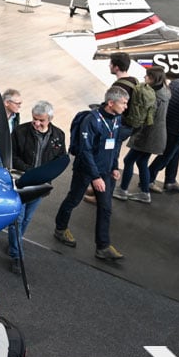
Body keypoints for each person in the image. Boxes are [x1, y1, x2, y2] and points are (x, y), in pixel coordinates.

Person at [54, 88, 130, 260]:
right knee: (74, 199)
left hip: (105, 170)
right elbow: (85, 150)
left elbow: (115, 144)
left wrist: (115, 167)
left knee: (106, 207)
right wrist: (95, 177)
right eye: (123, 103)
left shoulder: (117, 118)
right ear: (111, 103)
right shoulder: (91, 120)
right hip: (86, 169)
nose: (126, 107)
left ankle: (103, 246)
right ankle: (60, 228)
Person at [9, 101, 67, 273]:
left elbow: (60, 159)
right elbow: (12, 156)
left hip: (40, 187)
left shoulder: (59, 135)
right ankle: (17, 254)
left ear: (49, 119)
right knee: (17, 221)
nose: (36, 123)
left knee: (26, 219)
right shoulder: (20, 131)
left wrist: (45, 177)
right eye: (34, 119)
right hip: (21, 183)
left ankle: (15, 242)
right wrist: (31, 172)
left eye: (41, 120)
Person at [115, 66, 170, 204]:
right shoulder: (166, 91)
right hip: (158, 134)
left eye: (147, 76)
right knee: (142, 161)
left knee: (128, 160)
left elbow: (144, 116)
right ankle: (145, 192)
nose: (144, 78)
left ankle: (123, 190)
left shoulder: (151, 95)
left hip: (147, 135)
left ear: (153, 78)